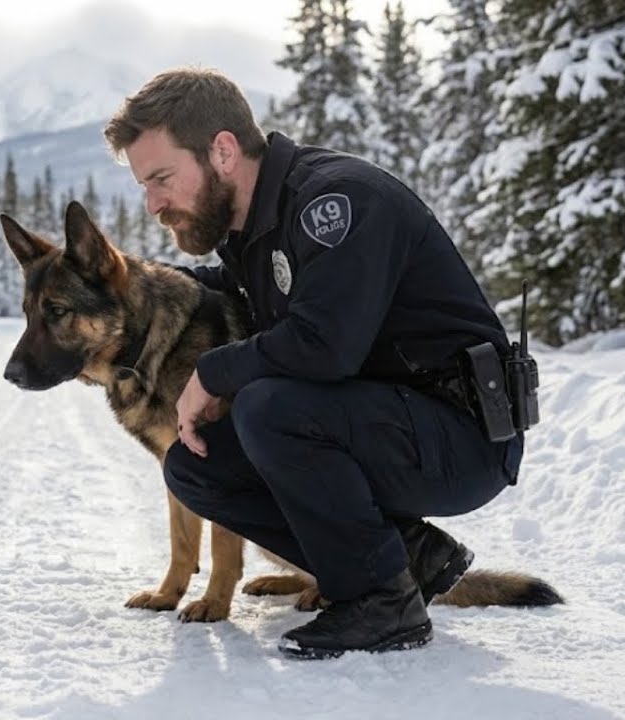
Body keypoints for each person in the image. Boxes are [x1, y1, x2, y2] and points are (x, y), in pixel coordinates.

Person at [103, 67, 526, 659]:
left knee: (268, 407)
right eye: (145, 187)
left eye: (161, 179)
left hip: (461, 436)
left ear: (222, 151)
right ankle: (410, 558)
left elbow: (325, 347)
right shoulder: (255, 227)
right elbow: (215, 293)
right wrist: (121, 291)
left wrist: (214, 372)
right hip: (383, 425)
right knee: (194, 469)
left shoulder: (337, 202)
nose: (153, 204)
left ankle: (383, 603)